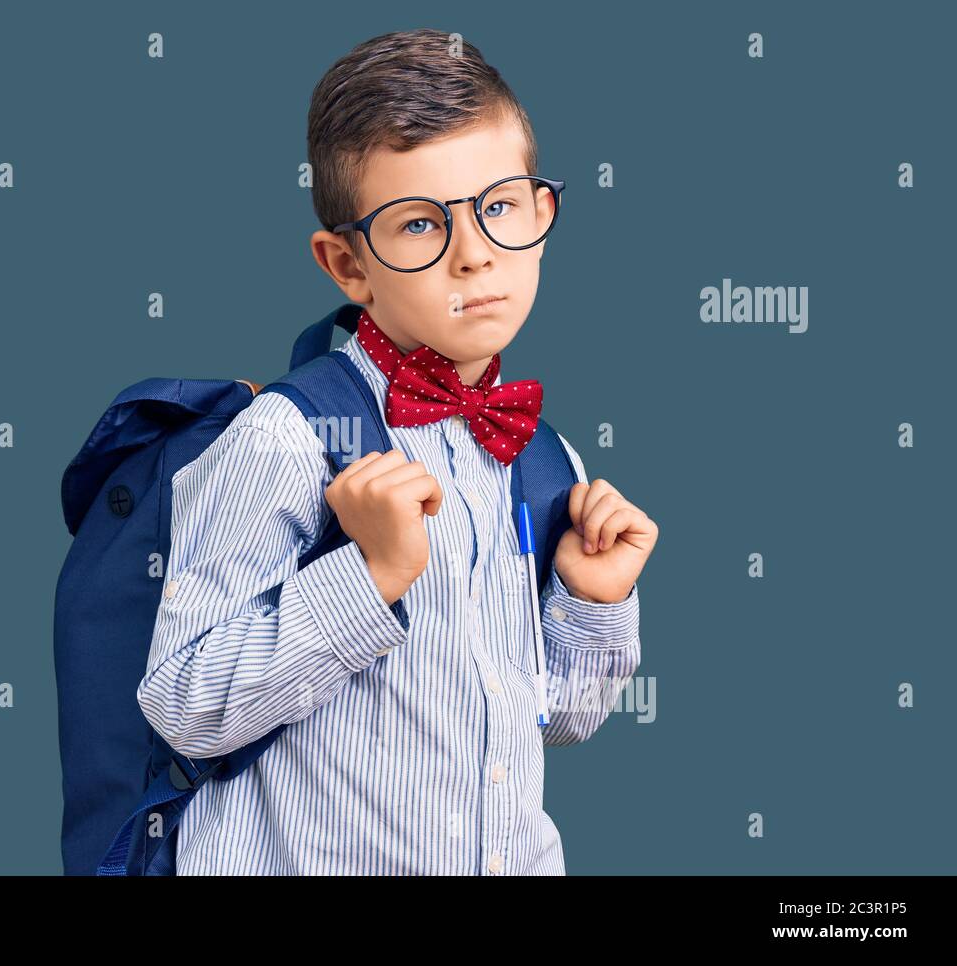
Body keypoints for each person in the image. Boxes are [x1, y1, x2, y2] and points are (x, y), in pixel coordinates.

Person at [137, 28, 659, 875]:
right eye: (419, 224)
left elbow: (553, 717)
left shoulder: (540, 454)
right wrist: (367, 576)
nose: (474, 253)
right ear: (347, 265)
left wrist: (594, 602)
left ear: (541, 212)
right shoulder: (286, 440)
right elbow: (185, 704)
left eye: (500, 205)